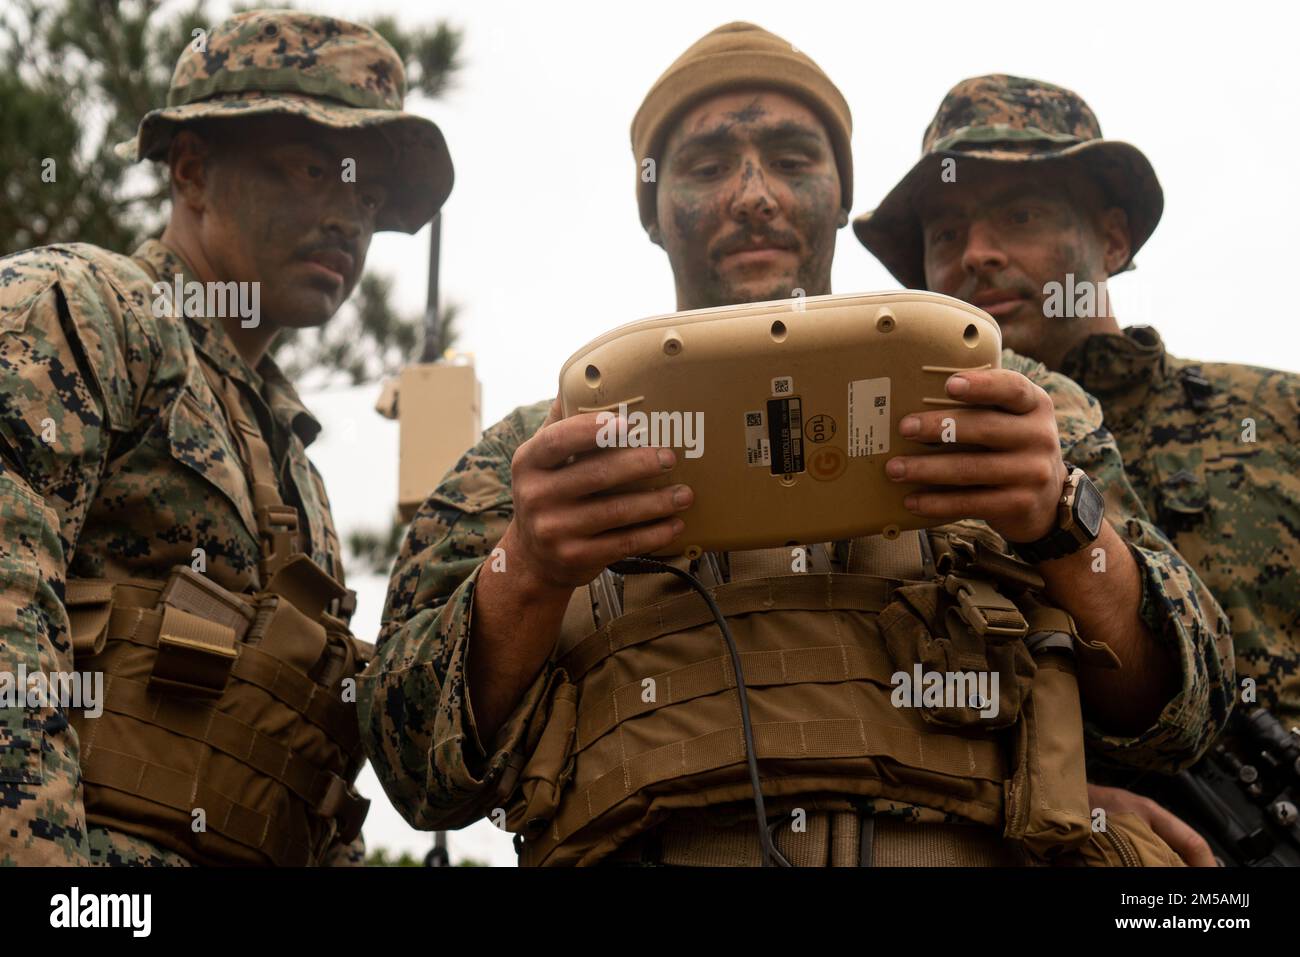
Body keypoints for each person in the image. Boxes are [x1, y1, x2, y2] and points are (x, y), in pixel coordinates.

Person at [360, 24, 1230, 867]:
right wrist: (531, 568)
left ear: (843, 198)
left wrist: (1063, 526)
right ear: (653, 211)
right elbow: (412, 768)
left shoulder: (1020, 408)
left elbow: (1188, 705)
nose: (754, 195)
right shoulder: (540, 450)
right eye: (706, 166)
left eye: (792, 159)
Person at [0, 9, 452, 866]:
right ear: (195, 172)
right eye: (314, 170)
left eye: (367, 195)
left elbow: (298, 752)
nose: (349, 219)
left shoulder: (293, 467)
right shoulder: (80, 311)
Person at [854, 74, 1298, 862]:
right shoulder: (899, 467)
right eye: (946, 233)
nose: (976, 255)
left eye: (1019, 215)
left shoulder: (1277, 416)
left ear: (1114, 239)